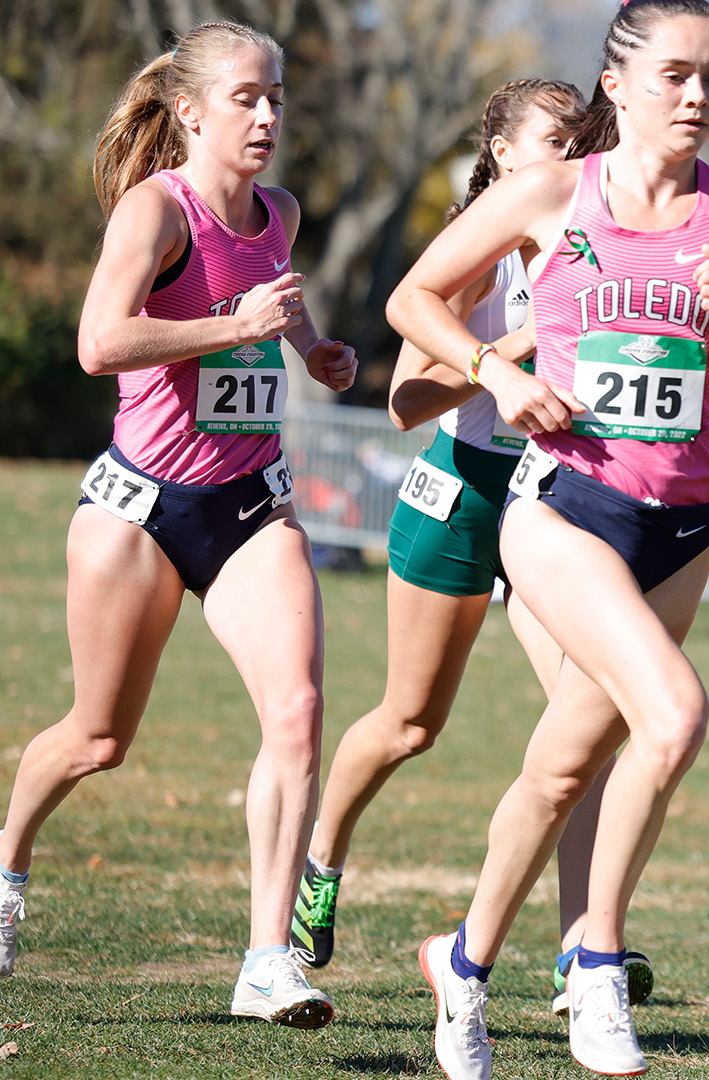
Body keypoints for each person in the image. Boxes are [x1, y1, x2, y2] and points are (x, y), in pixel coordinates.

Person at [385, 2, 709, 1076]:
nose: (698, 97)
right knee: (673, 716)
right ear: (617, 86)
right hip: (564, 510)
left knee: (563, 767)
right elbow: (412, 298)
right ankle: (598, 967)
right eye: (675, 75)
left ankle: (462, 965)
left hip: (684, 526)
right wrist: (496, 371)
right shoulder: (550, 193)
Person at [0, 21, 356, 1028]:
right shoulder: (156, 211)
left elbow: (278, 311)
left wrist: (316, 351)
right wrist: (234, 327)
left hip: (249, 505)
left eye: (277, 97)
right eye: (247, 98)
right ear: (191, 112)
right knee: (98, 737)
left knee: (297, 713)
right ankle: (7, 871)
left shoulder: (279, 213)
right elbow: (99, 341)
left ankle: (267, 961)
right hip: (141, 510)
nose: (268, 115)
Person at [291, 74, 648, 1014]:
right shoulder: (477, 253)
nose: (573, 160)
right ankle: (320, 857)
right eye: (555, 143)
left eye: (584, 143)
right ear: (501, 154)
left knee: (588, 722)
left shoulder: (591, 238)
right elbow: (405, 403)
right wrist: (513, 352)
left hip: (554, 500)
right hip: (458, 493)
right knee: (411, 724)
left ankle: (581, 950)